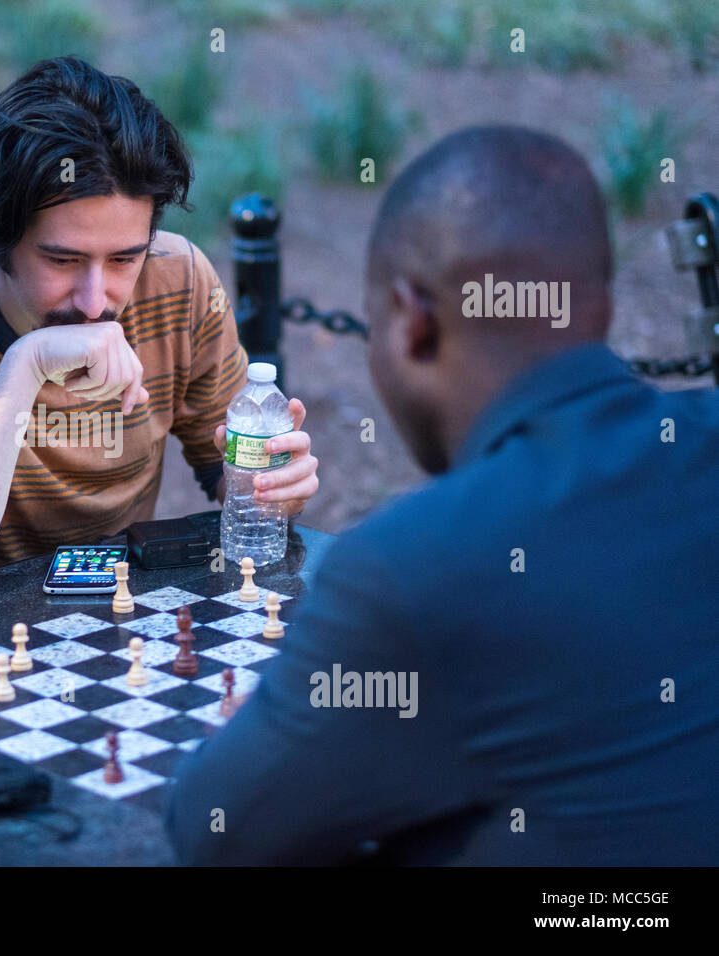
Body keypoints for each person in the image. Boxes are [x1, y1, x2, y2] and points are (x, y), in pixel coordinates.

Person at [166, 125, 719, 865]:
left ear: (412, 320)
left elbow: (214, 835)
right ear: (600, 307)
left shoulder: (410, 569)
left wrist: (249, 734)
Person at [0, 57, 320, 596]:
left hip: (115, 622)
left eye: (125, 259)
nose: (96, 301)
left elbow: (232, 474)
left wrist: (275, 487)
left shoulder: (179, 279)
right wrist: (26, 365)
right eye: (63, 261)